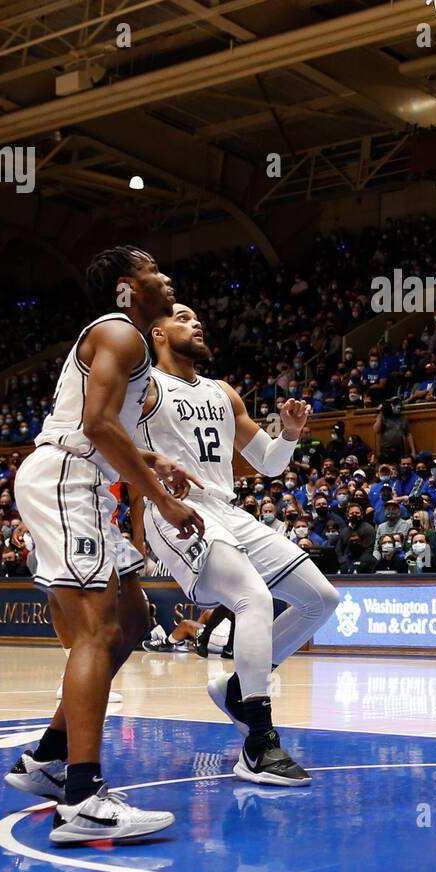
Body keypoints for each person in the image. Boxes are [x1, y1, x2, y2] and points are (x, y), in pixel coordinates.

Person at [5, 246, 204, 845]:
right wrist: (161, 497)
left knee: (133, 620)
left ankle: (47, 758)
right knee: (94, 633)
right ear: (126, 288)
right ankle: (84, 798)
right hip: (69, 480)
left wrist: (150, 457)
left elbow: (94, 427)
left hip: (82, 477)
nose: (167, 277)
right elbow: (93, 428)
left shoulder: (124, 339)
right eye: (153, 271)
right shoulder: (121, 333)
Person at [138, 303, 340, 781]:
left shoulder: (222, 392)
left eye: (195, 317)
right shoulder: (144, 385)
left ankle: (236, 692)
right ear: (158, 332)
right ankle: (259, 742)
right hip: (176, 509)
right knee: (253, 598)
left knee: (321, 599)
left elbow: (268, 463)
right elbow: (108, 442)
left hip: (227, 509)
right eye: (182, 317)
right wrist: (155, 474)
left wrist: (289, 434)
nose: (196, 322)